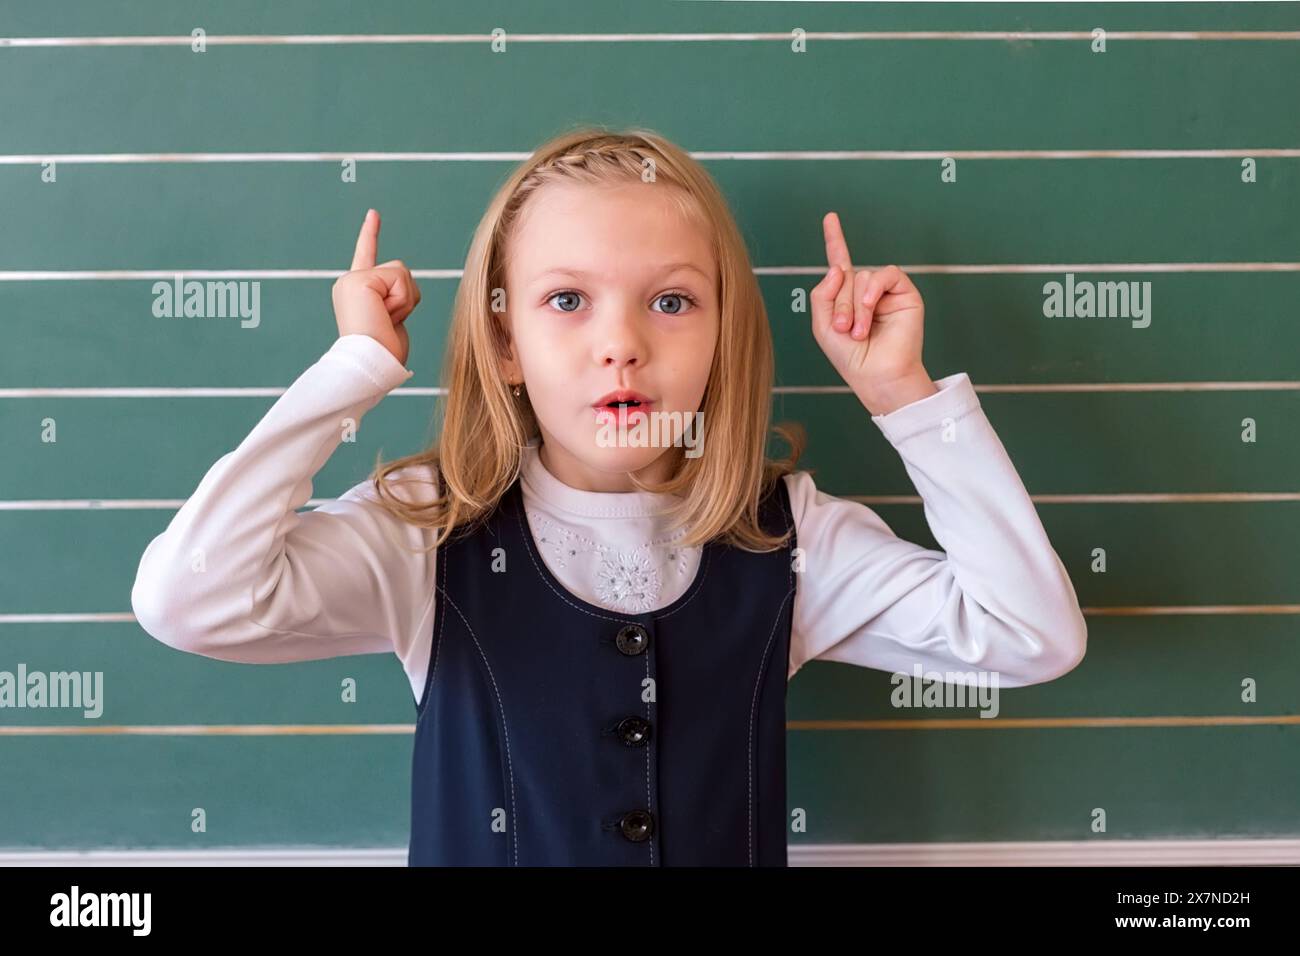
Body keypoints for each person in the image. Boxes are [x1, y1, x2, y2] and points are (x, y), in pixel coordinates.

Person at [131, 127, 1087, 866]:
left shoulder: (788, 538)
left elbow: (1030, 633)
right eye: (566, 301)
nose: (621, 342)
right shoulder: (428, 531)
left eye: (671, 302)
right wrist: (350, 372)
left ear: (723, 336)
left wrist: (904, 400)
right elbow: (189, 598)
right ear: (504, 344)